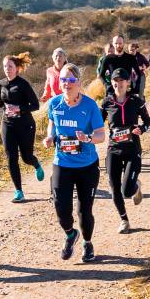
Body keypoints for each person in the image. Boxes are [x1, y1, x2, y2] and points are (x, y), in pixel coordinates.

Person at [45, 70, 107, 261]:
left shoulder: (90, 106)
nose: (67, 83)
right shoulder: (54, 103)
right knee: (61, 208)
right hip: (62, 163)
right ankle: (71, 234)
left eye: (71, 80)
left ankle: (87, 243)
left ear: (79, 83)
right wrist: (50, 136)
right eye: (63, 79)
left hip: (86, 166)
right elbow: (52, 124)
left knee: (84, 210)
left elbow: (101, 135)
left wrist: (87, 138)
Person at [102, 68, 150, 233]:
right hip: (114, 149)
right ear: (112, 82)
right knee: (115, 188)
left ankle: (135, 186)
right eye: (115, 80)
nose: (118, 83)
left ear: (128, 82)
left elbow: (148, 121)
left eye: (122, 80)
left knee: (126, 190)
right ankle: (124, 220)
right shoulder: (107, 103)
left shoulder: (136, 101)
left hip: (132, 149)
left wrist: (141, 129)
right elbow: (97, 124)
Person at [0, 54, 44, 202]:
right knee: (11, 158)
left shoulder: (23, 84)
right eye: (5, 66)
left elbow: (35, 105)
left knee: (26, 157)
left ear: (17, 68)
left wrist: (19, 109)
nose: (7, 69)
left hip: (25, 125)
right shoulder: (1, 83)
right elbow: (2, 102)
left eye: (10, 66)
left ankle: (36, 163)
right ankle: (19, 191)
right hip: (8, 124)